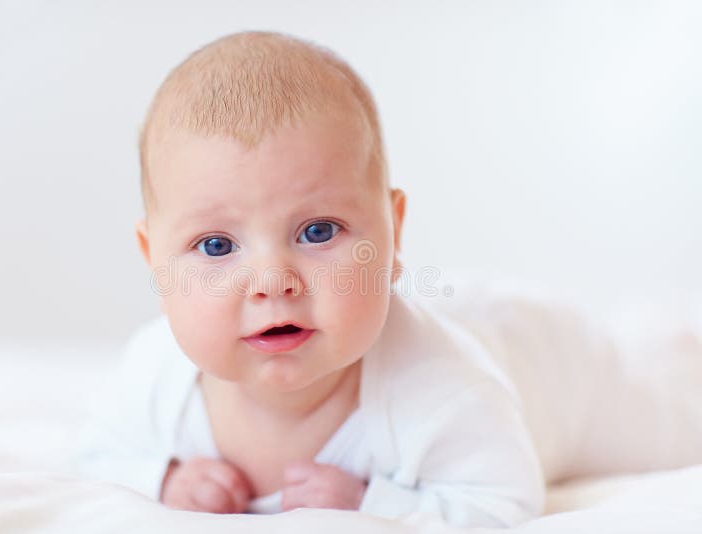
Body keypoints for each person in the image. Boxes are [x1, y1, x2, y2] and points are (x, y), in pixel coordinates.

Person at [72, 30, 702, 527]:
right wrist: (163, 478)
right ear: (154, 258)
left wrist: (374, 502)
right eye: (215, 245)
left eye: (318, 232)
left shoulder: (443, 388)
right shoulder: (154, 377)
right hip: (479, 322)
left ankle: (666, 341)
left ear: (393, 236)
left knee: (675, 421)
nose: (271, 281)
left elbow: (500, 502)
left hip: (552, 365)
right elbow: (94, 461)